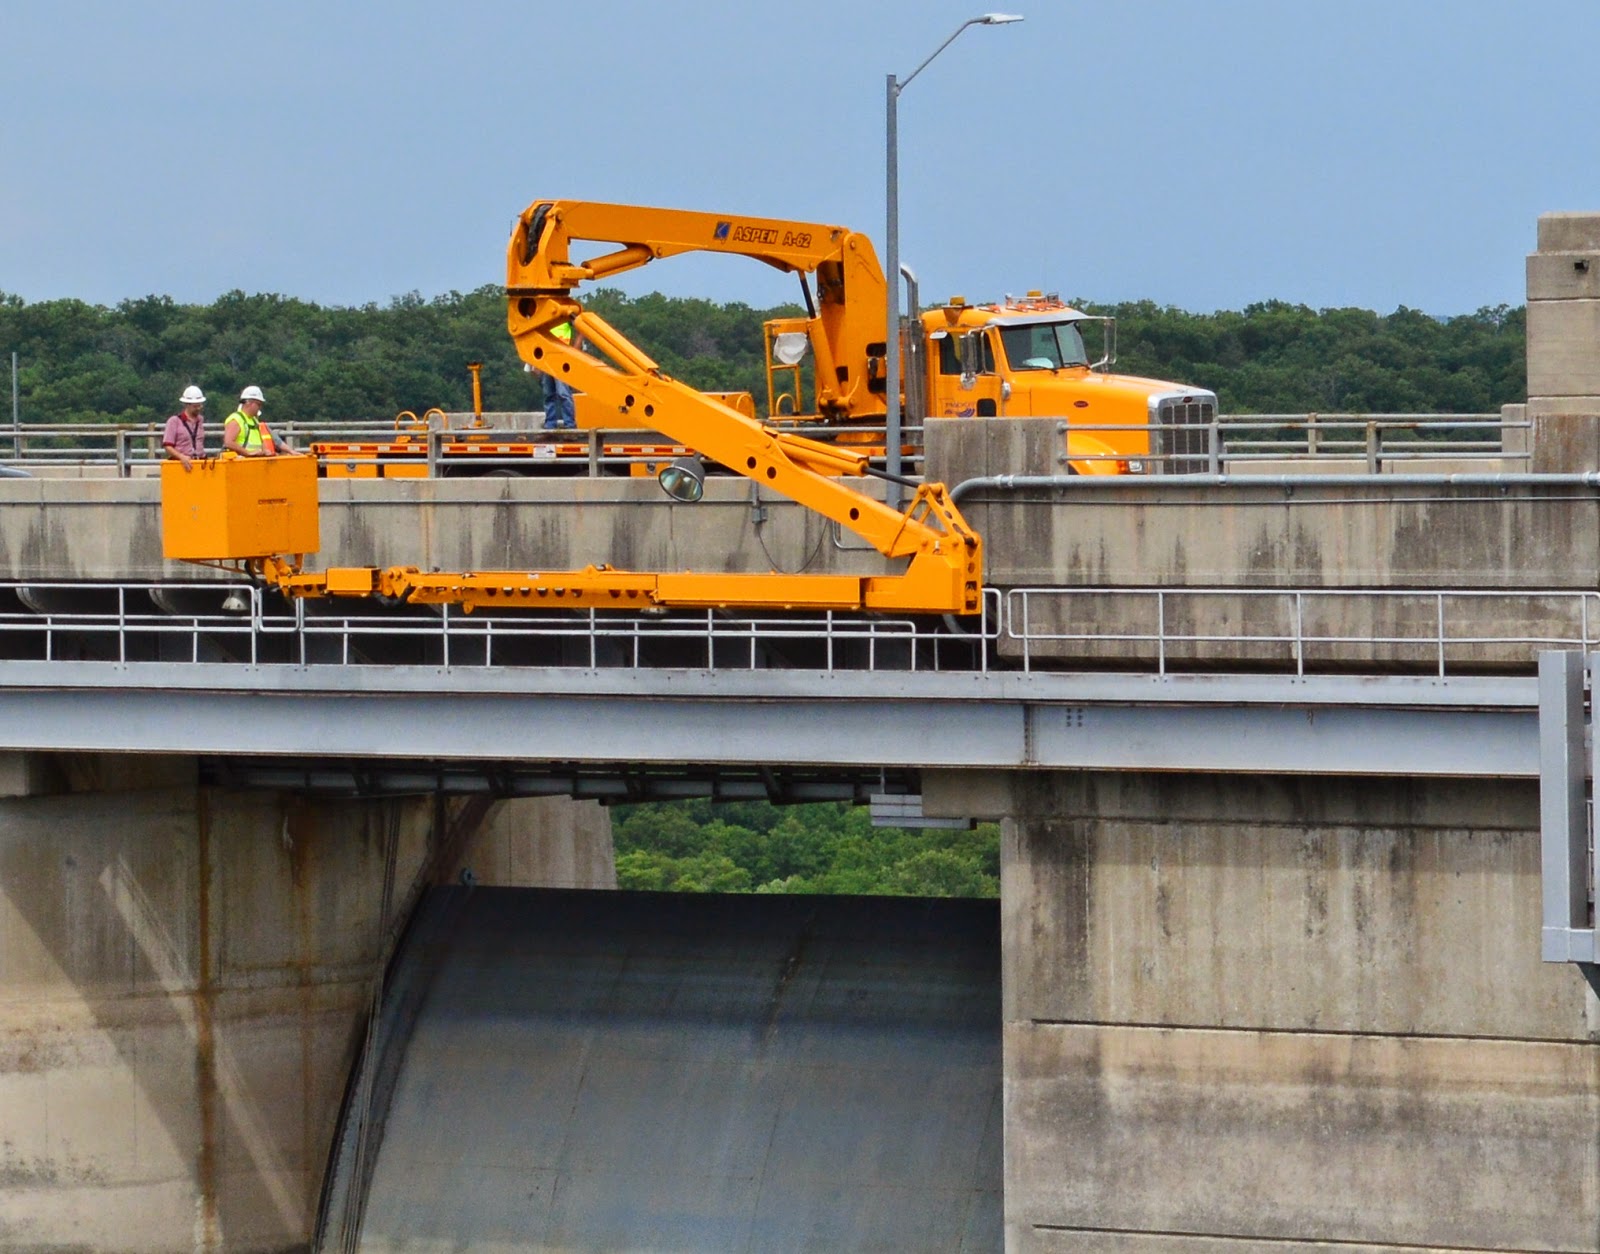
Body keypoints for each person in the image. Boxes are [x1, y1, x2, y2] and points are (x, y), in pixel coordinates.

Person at [223, 385, 289, 457]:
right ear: (249, 402)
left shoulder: (254, 420)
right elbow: (228, 442)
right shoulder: (236, 419)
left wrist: (265, 452)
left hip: (253, 462)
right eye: (258, 404)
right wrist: (248, 453)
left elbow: (260, 441)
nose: (260, 407)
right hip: (240, 463)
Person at [539, 320, 579, 431]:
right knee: (548, 393)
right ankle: (550, 424)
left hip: (561, 359)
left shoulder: (564, 319)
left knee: (563, 393)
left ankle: (569, 424)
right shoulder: (545, 321)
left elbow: (579, 328)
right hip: (548, 359)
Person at [162, 385, 208, 471]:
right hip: (181, 466)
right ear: (187, 405)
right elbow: (168, 446)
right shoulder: (174, 421)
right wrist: (181, 457)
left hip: (200, 463)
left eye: (200, 406)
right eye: (195, 406)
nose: (198, 408)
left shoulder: (200, 420)